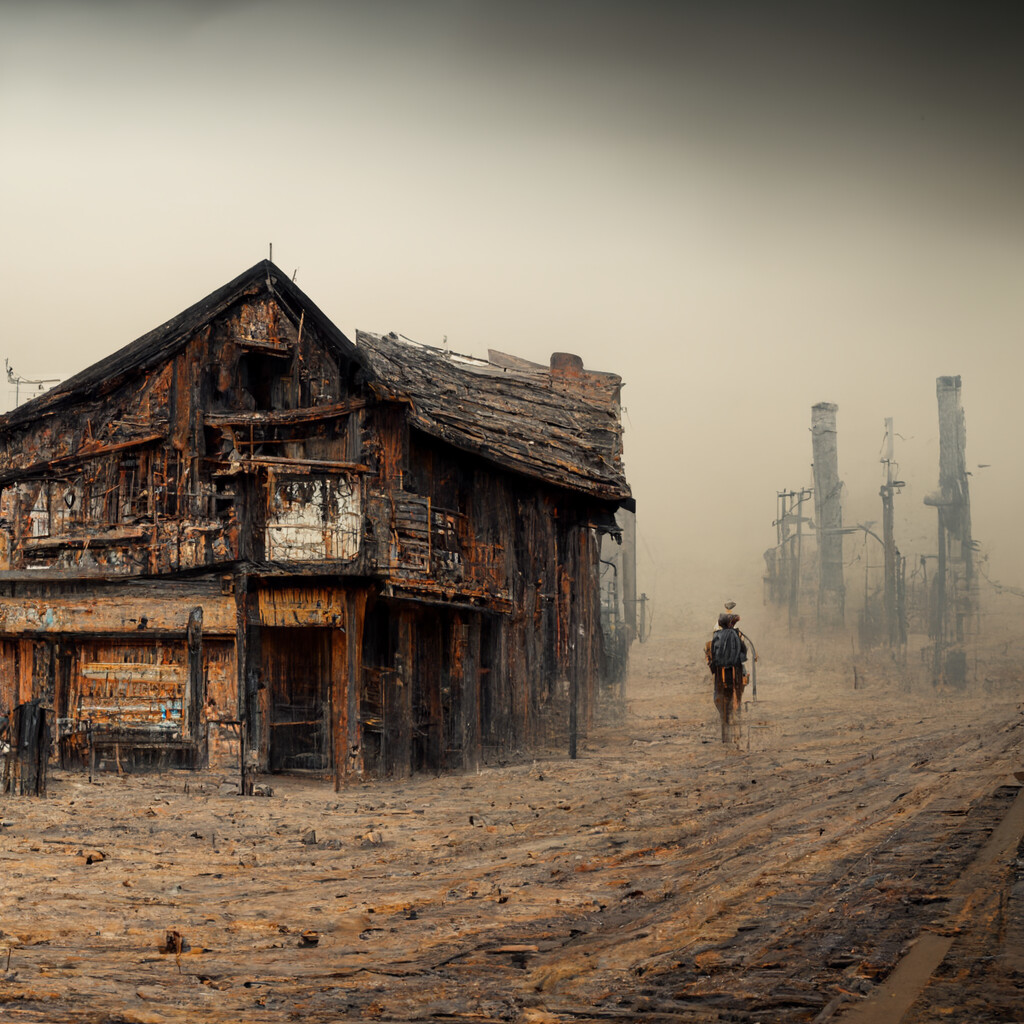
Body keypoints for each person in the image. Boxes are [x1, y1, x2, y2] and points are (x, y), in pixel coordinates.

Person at [705, 612, 748, 743]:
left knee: (718, 694)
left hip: (720, 672)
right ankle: (735, 718)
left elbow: (712, 655)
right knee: (738, 690)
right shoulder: (735, 635)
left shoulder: (716, 636)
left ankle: (725, 720)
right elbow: (744, 651)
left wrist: (714, 667)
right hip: (735, 671)